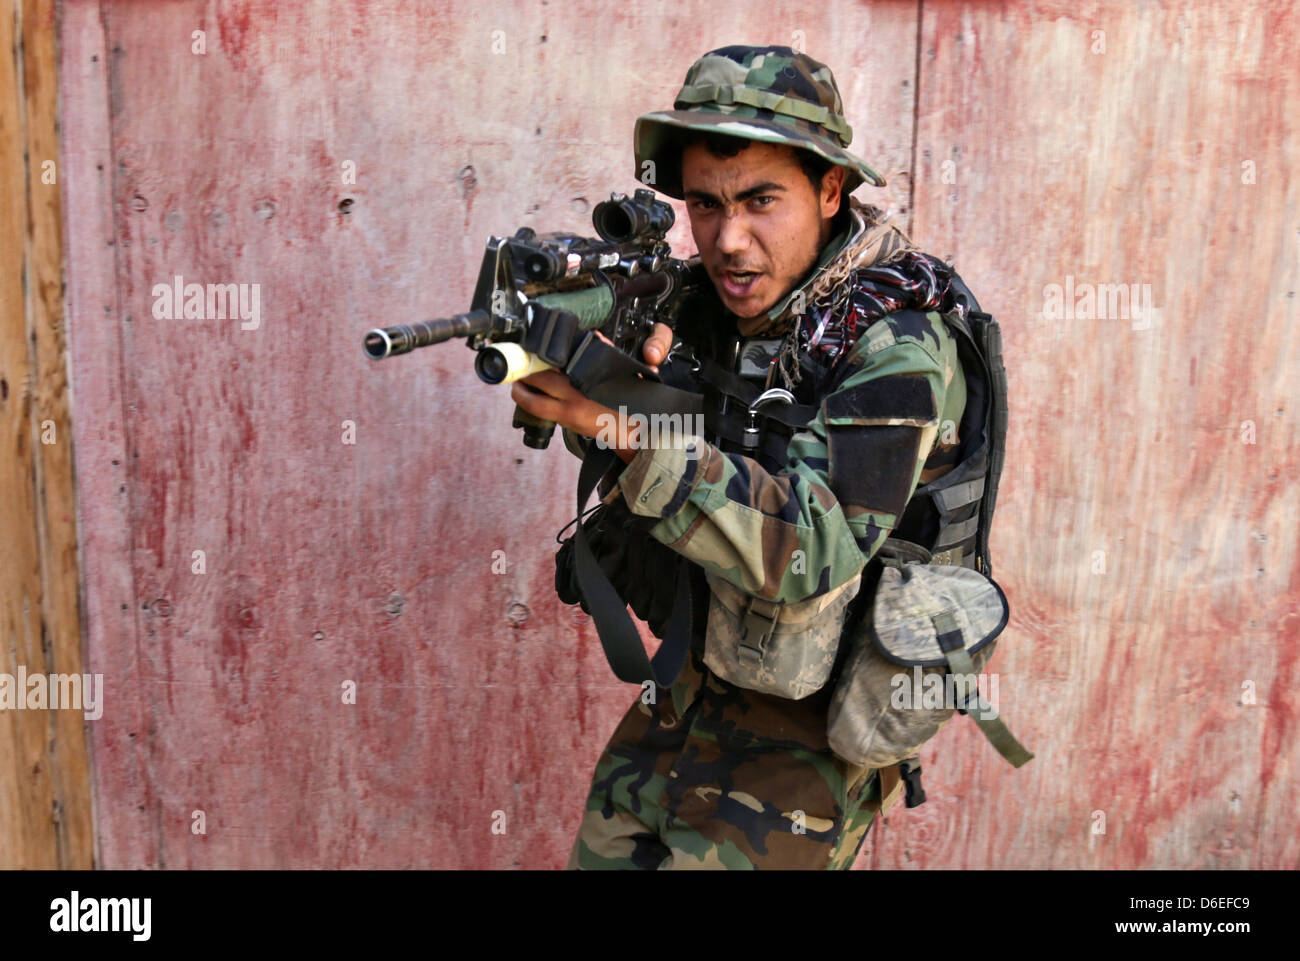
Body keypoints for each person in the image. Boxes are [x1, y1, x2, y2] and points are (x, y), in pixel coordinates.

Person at [511, 44, 970, 869]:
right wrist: (591, 389)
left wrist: (626, 433)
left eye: (762, 200)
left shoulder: (897, 342)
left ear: (830, 190)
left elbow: (815, 547)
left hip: (805, 738)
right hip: (688, 686)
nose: (729, 239)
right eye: (706, 205)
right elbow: (644, 430)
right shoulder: (703, 304)